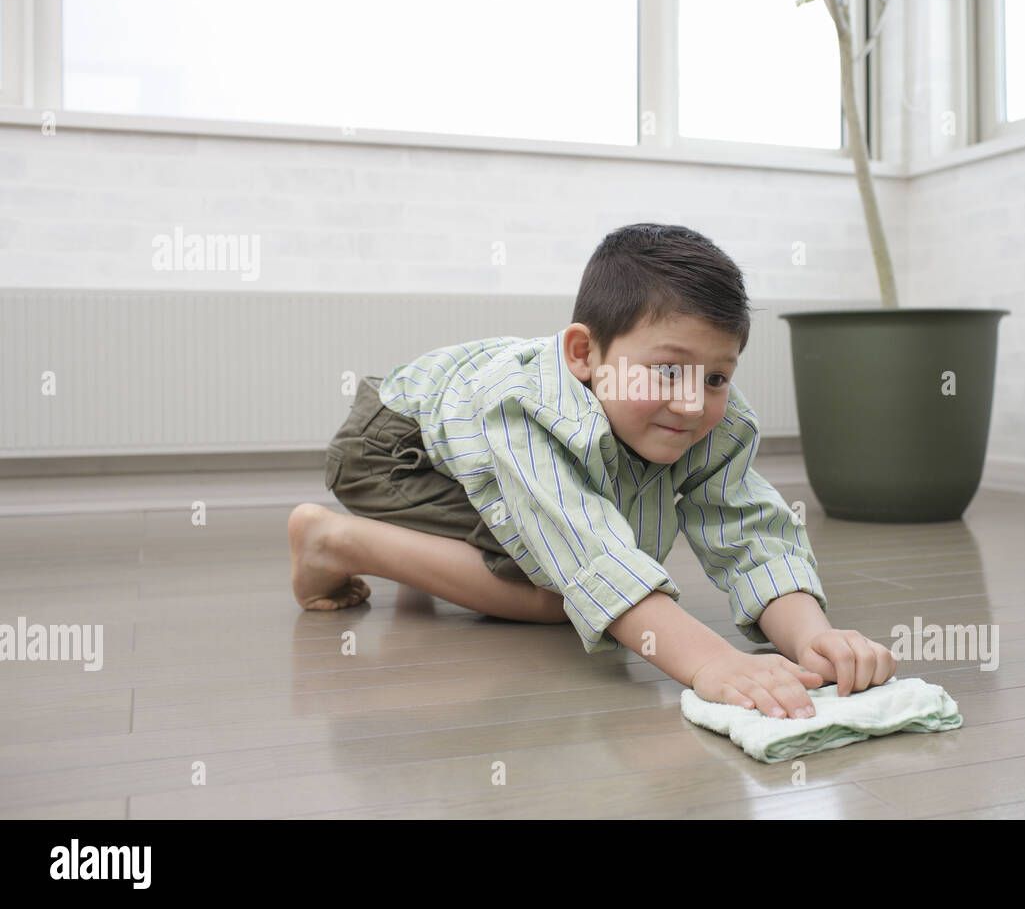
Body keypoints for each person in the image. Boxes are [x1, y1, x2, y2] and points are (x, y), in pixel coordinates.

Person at [287, 223, 896, 720]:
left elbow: (748, 529)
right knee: (555, 596)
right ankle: (332, 538)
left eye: (717, 376)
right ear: (584, 355)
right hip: (391, 447)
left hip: (457, 442)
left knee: (562, 574)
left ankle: (418, 560)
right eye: (668, 370)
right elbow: (586, 556)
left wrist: (812, 636)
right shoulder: (524, 409)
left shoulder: (716, 418)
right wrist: (713, 663)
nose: (693, 403)